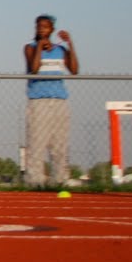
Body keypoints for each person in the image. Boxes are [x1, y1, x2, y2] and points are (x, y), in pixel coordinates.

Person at [23, 14, 79, 187]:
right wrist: (40, 47)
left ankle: (59, 180)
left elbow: (75, 70)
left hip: (59, 100)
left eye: (45, 27)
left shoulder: (60, 50)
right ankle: (35, 181)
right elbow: (33, 69)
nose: (41, 29)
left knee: (59, 145)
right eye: (38, 26)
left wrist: (70, 43)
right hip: (39, 100)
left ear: (52, 30)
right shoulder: (30, 48)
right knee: (36, 143)